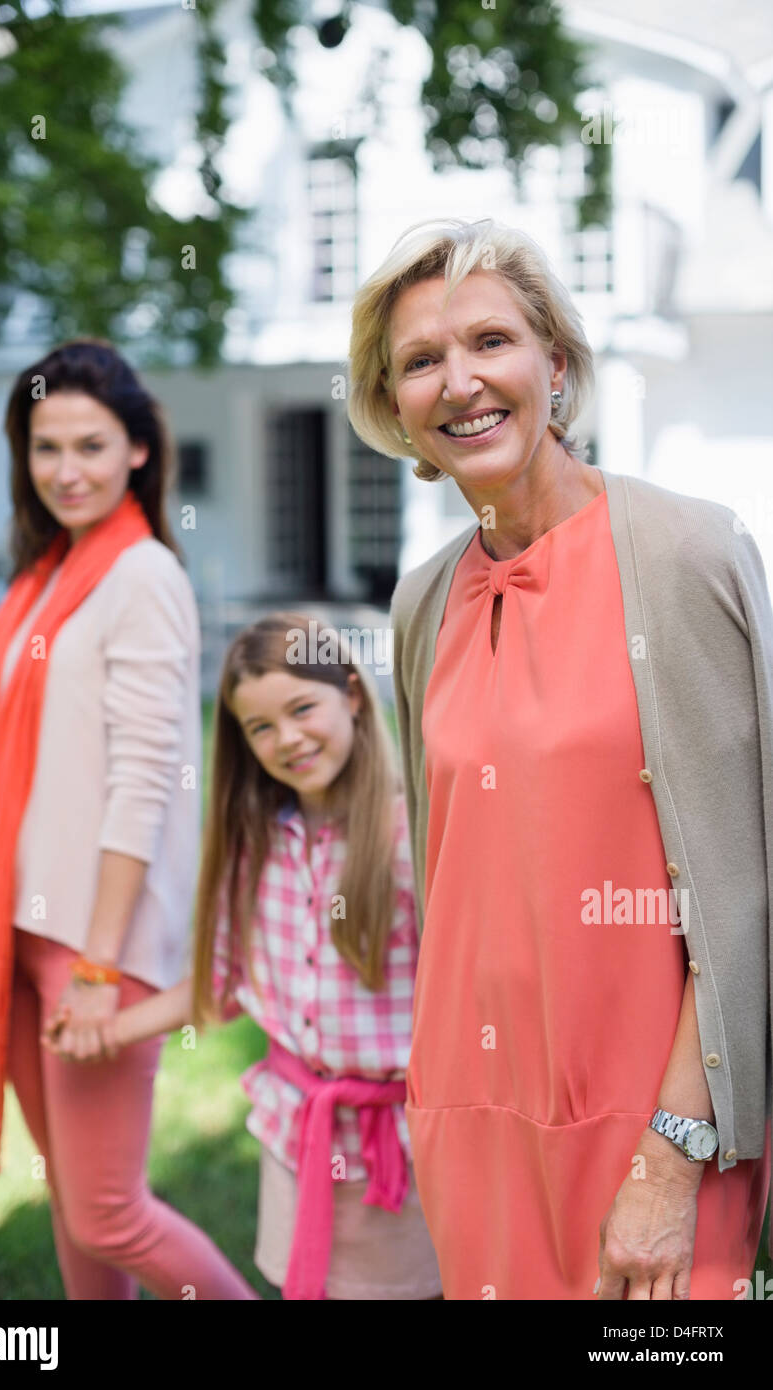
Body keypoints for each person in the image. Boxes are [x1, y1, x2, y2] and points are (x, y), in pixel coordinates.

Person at [346, 215, 773, 1300]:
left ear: (557, 365)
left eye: (490, 341)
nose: (459, 382)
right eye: (420, 361)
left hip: (657, 1133)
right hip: (472, 1121)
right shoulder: (421, 600)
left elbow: (745, 887)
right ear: (393, 402)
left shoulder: (682, 553)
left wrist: (671, 1156)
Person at [0, 338, 256, 1300]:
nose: (67, 470)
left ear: (137, 450)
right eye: (47, 447)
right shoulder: (45, 576)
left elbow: (143, 781)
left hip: (95, 947)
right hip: (22, 932)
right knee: (77, 1206)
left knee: (110, 1209)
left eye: (91, 445)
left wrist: (97, 969)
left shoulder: (141, 575)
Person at [46, 612, 443, 1301]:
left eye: (302, 709)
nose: (286, 738)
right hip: (297, 1140)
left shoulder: (413, 838)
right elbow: (221, 985)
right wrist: (109, 1029)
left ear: (351, 696)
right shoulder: (257, 845)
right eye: (260, 726)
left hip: (400, 1153)